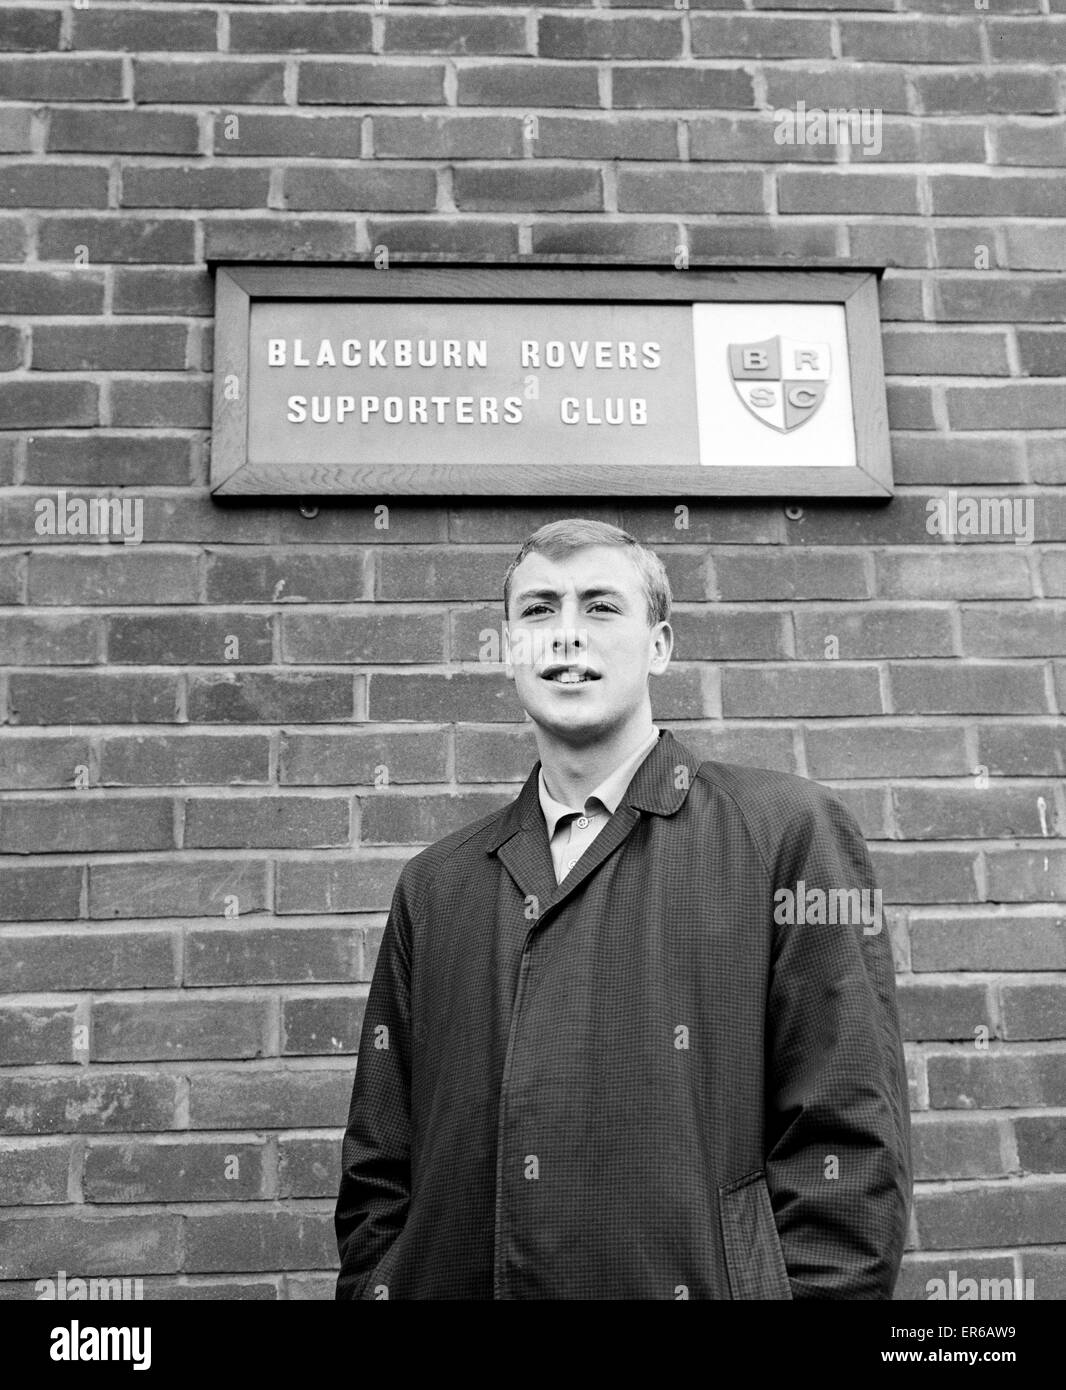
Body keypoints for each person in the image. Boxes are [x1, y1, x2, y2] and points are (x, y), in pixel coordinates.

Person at [335, 518, 911, 1300]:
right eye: (539, 611)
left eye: (601, 608)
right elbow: (379, 1169)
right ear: (510, 650)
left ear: (660, 646)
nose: (566, 636)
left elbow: (849, 1143)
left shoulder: (784, 834)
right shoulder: (437, 886)